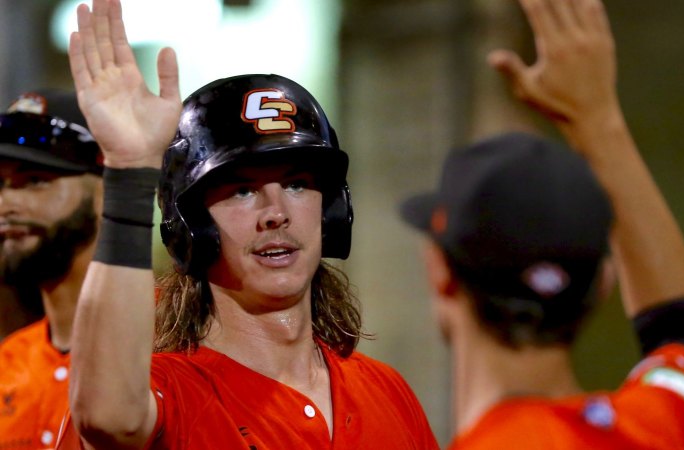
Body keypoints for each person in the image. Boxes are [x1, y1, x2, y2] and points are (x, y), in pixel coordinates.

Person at [57, 0, 438, 448]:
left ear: (331, 211)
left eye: (296, 184)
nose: (276, 212)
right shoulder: (167, 394)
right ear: (190, 227)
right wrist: (129, 173)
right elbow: (108, 417)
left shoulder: (387, 391)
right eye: (241, 190)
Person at [399, 0, 684, 448]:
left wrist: (594, 120)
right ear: (603, 284)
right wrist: (598, 120)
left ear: (438, 270)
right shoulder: (655, 429)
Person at [0, 88, 103, 449]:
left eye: (35, 181)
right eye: (1, 184)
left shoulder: (176, 337)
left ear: (107, 192)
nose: (6, 203)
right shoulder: (8, 361)